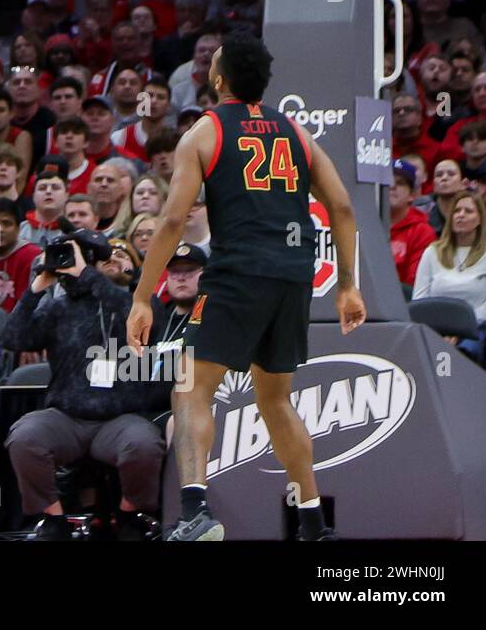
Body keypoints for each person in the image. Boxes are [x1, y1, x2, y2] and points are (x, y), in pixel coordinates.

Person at [128, 34, 367, 541]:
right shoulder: (296, 132)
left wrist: (142, 296)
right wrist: (347, 285)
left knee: (192, 388)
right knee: (276, 400)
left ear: (218, 81)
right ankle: (312, 522)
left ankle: (194, 512)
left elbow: (172, 221)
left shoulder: (205, 132)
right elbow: (343, 208)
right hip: (294, 277)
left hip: (238, 274)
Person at [2, 229, 167, 541]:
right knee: (24, 437)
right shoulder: (58, 308)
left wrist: (87, 275)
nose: (110, 264)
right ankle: (54, 519)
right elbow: (13, 339)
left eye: (117, 259)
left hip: (121, 418)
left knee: (144, 445)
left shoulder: (136, 303)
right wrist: (37, 288)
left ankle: (130, 514)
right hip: (66, 416)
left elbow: (149, 322)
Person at [412, 190, 486, 360]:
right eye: (457, 211)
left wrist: (461, 328)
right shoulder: (432, 252)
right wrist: (440, 330)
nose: (461, 215)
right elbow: (419, 299)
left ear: (480, 219)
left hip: (474, 329)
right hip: (434, 329)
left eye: (468, 211)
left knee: (465, 352)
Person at [389, 159, 436, 292]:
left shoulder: (422, 231)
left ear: (411, 195)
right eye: (388, 182)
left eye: (400, 183)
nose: (392, 186)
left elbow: (415, 283)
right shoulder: (369, 224)